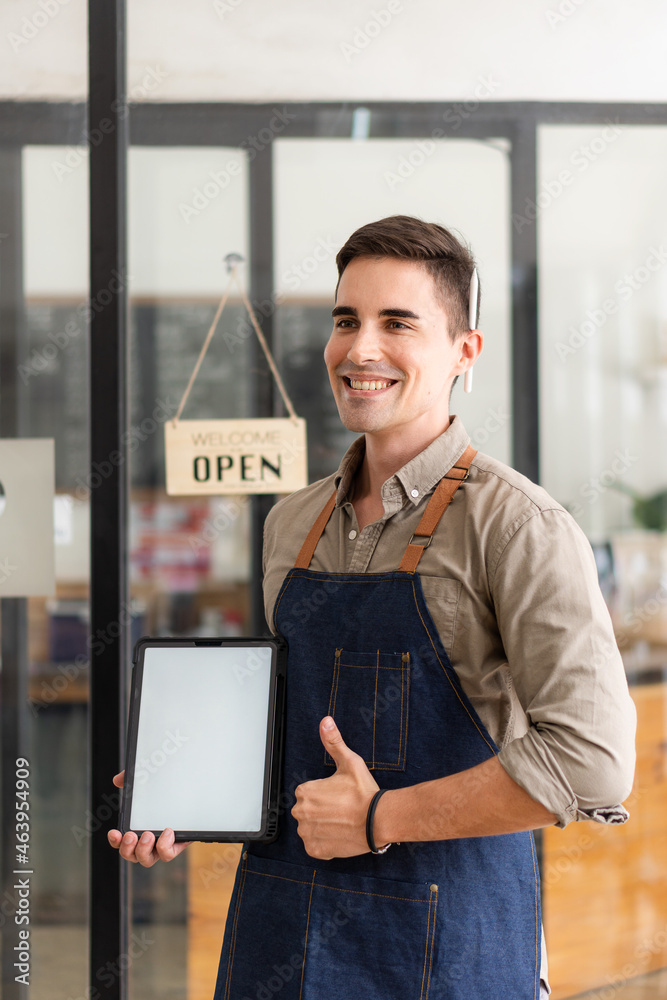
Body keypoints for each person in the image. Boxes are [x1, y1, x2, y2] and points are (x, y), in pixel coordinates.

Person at [109, 215, 636, 999]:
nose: (359, 349)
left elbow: (592, 762)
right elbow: (303, 720)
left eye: (397, 323)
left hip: (449, 942)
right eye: (345, 320)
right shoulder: (291, 522)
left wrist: (379, 818)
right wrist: (190, 794)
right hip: (281, 924)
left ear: (465, 352)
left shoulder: (518, 526)